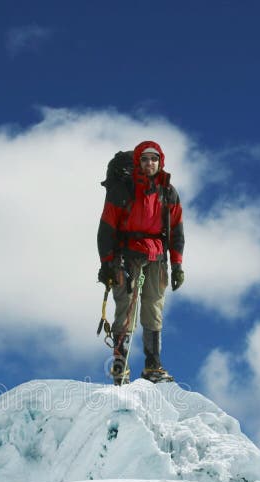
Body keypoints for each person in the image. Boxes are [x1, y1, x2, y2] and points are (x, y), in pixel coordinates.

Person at [97, 140, 185, 385]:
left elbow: (176, 231)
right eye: (145, 159)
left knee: (153, 309)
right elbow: (106, 228)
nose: (150, 163)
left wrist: (177, 265)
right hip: (127, 255)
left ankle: (153, 367)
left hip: (157, 257)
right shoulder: (122, 190)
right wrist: (107, 263)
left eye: (154, 159)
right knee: (126, 311)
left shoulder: (168, 192)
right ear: (138, 161)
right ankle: (120, 368)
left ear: (161, 161)